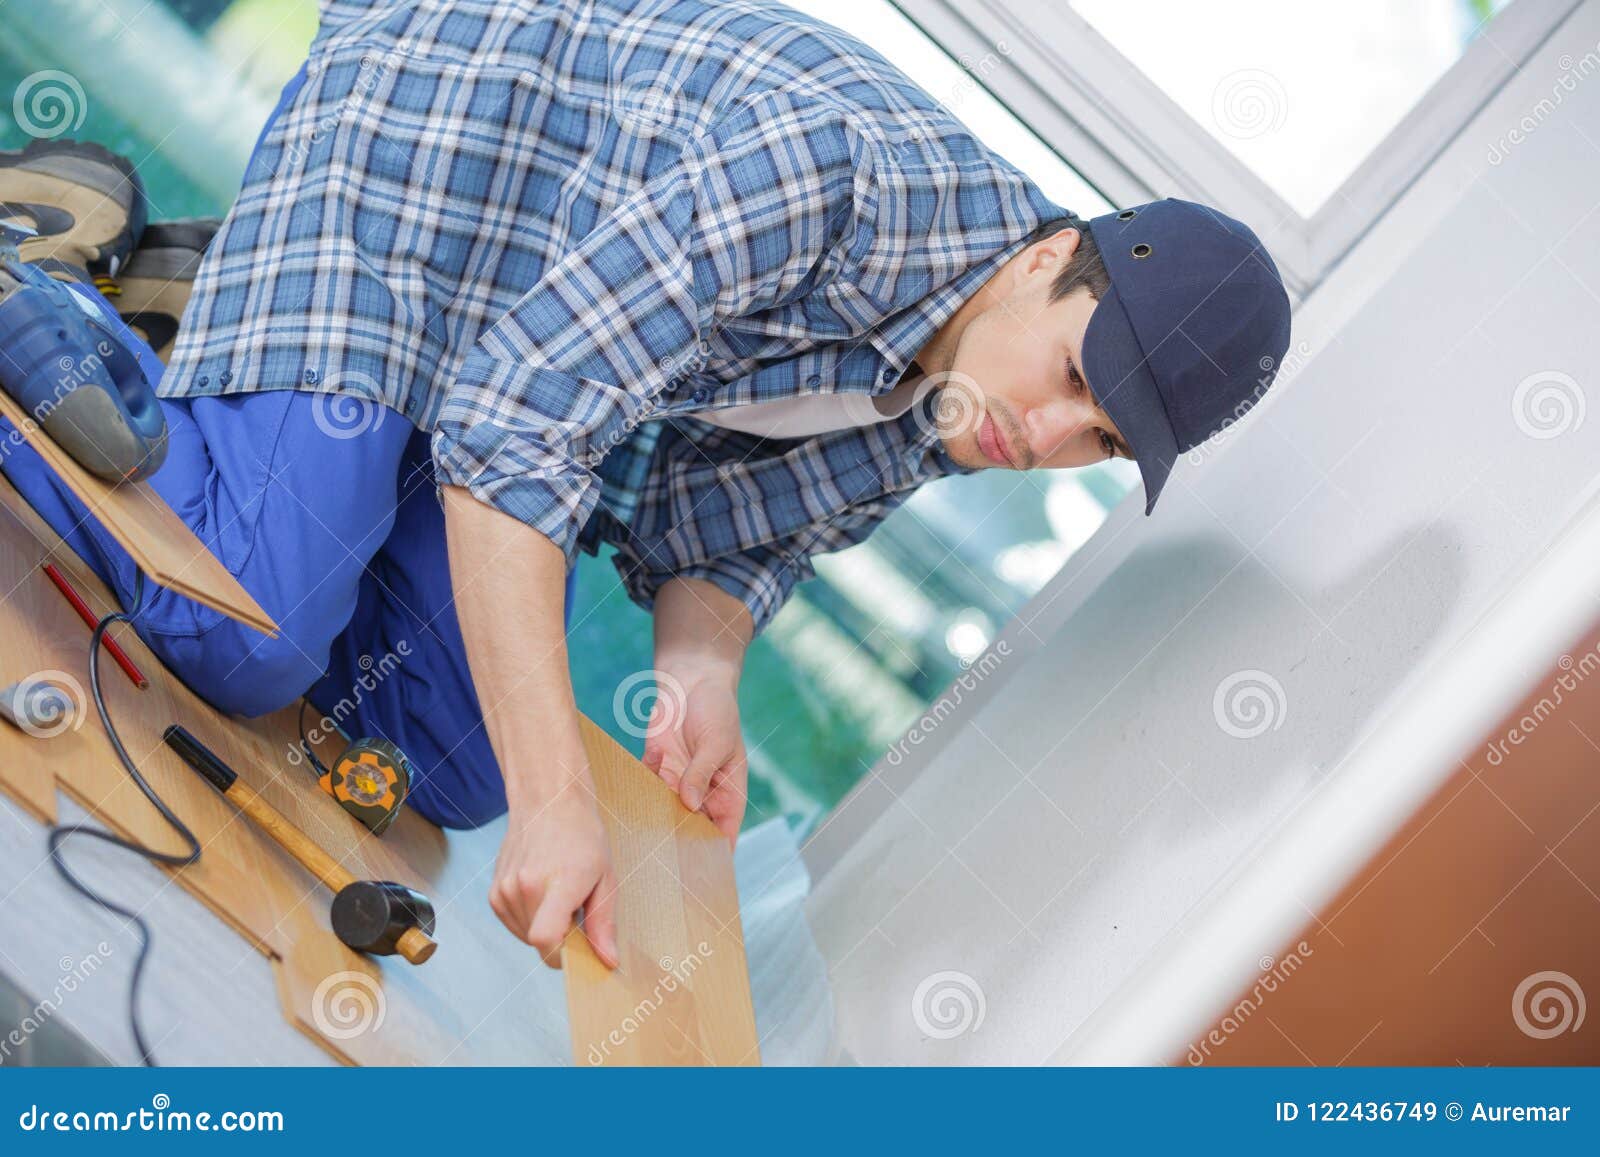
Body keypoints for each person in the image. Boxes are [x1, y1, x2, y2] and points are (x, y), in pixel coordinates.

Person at [0, 0, 1290, 969]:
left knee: (454, 764)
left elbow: (735, 542)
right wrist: (568, 798)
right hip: (423, 168)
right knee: (244, 638)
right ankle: (44, 298)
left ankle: (196, 387)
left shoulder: (964, 388)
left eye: (1100, 441)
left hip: (518, 342)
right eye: (1072, 375)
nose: (1047, 430)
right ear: (1049, 255)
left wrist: (703, 677)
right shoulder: (834, 174)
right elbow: (519, 427)